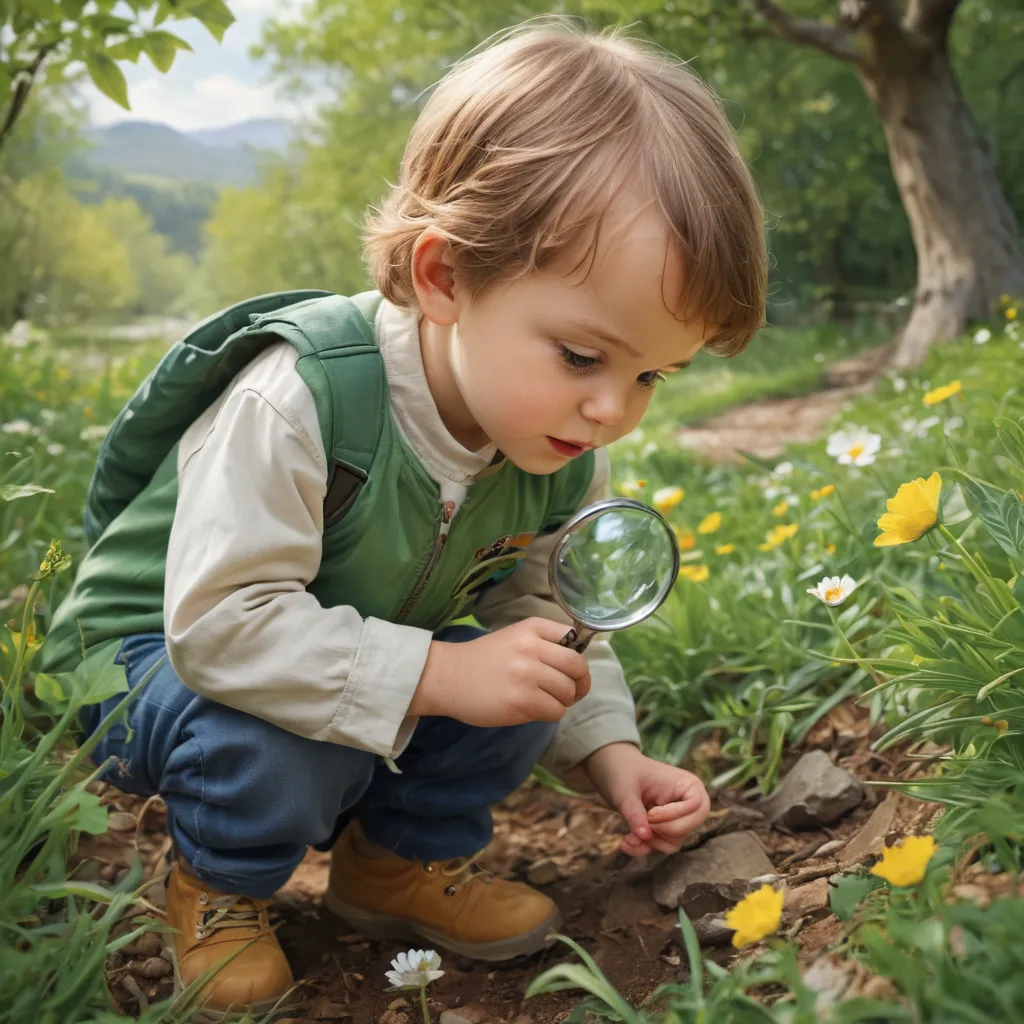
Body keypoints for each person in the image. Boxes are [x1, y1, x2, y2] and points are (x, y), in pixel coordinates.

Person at [42, 17, 766, 1020]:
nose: (613, 408)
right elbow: (216, 629)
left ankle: (391, 868)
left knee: (526, 666)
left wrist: (612, 752)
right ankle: (218, 884)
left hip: (325, 647)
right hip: (151, 659)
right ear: (444, 277)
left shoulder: (556, 450)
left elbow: (558, 612)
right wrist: (437, 672)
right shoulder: (303, 399)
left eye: (651, 373)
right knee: (295, 738)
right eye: (581, 356)